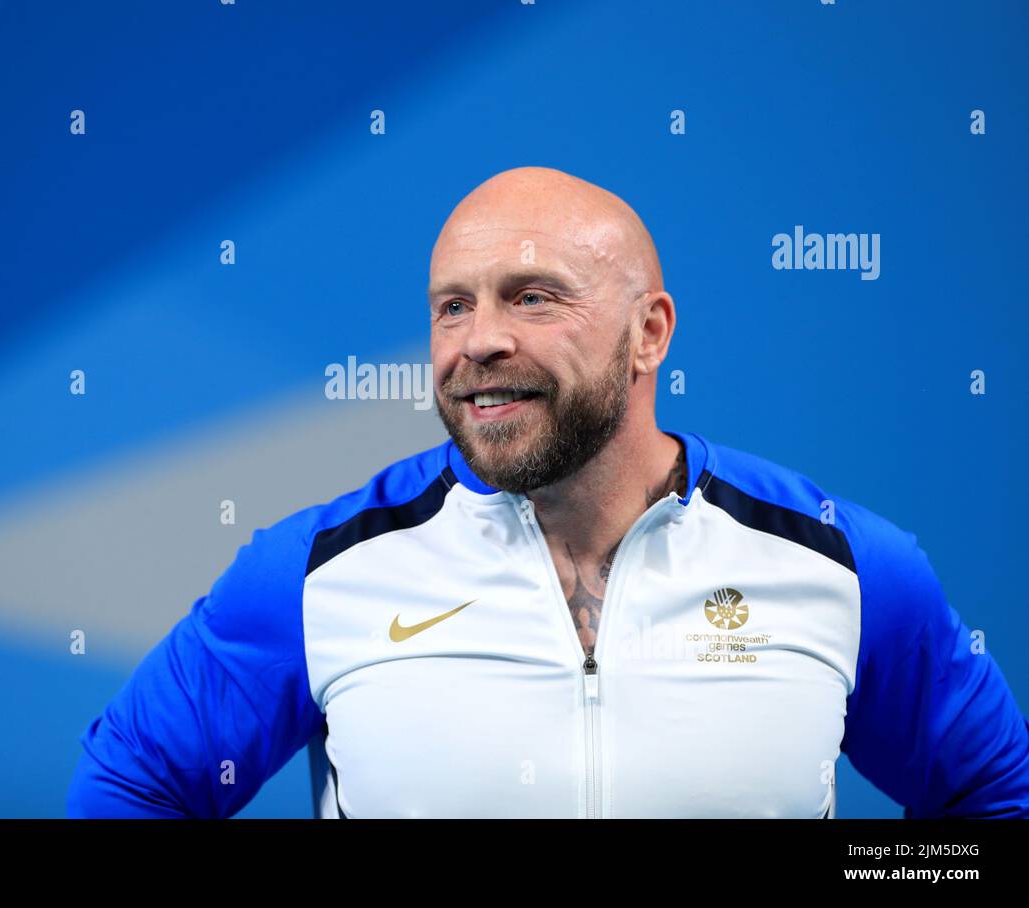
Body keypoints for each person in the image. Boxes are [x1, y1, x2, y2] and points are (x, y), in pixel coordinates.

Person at [66, 166, 1029, 818]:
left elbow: (992, 796)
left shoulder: (847, 568)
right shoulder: (314, 574)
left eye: (532, 296)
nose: (477, 340)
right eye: (453, 305)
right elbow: (129, 786)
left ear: (649, 333)